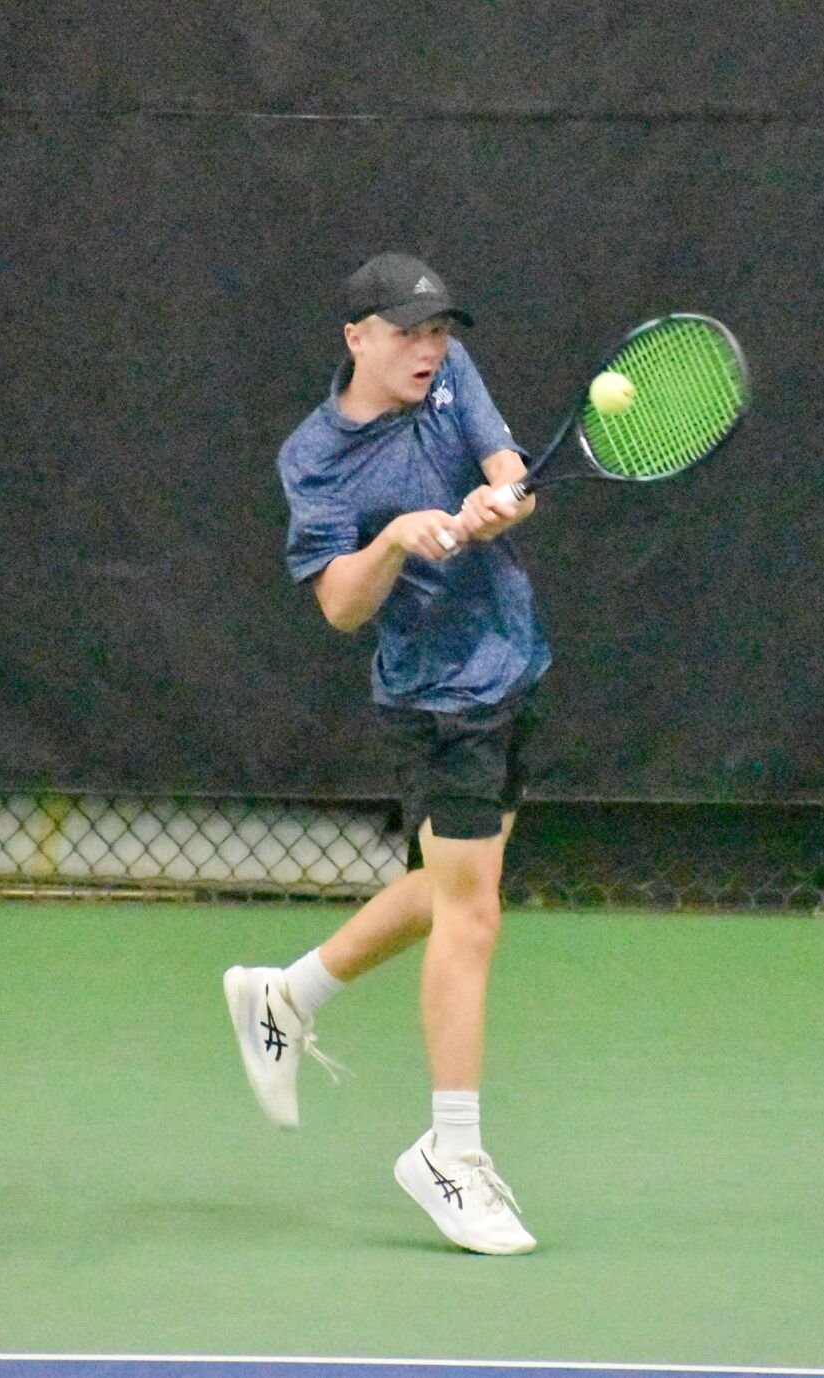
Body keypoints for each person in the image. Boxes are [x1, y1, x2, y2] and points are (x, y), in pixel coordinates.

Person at [224, 252, 550, 1256]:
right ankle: (447, 1155)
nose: (428, 348)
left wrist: (503, 500)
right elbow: (338, 605)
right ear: (355, 337)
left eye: (438, 329)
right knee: (472, 911)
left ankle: (285, 992)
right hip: (436, 699)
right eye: (406, 332)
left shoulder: (452, 377)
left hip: (512, 663)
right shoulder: (313, 458)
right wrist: (400, 539)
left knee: (448, 890)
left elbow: (511, 476)